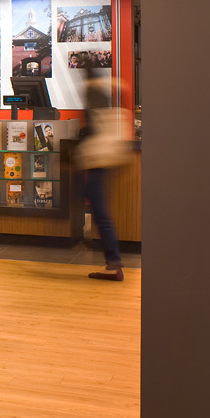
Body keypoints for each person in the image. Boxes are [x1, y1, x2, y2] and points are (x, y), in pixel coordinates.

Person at [76, 73, 132, 281]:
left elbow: (91, 131)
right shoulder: (112, 93)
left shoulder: (94, 94)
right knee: (100, 209)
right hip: (109, 158)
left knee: (100, 211)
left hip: (100, 160)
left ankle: (114, 263)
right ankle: (112, 259)